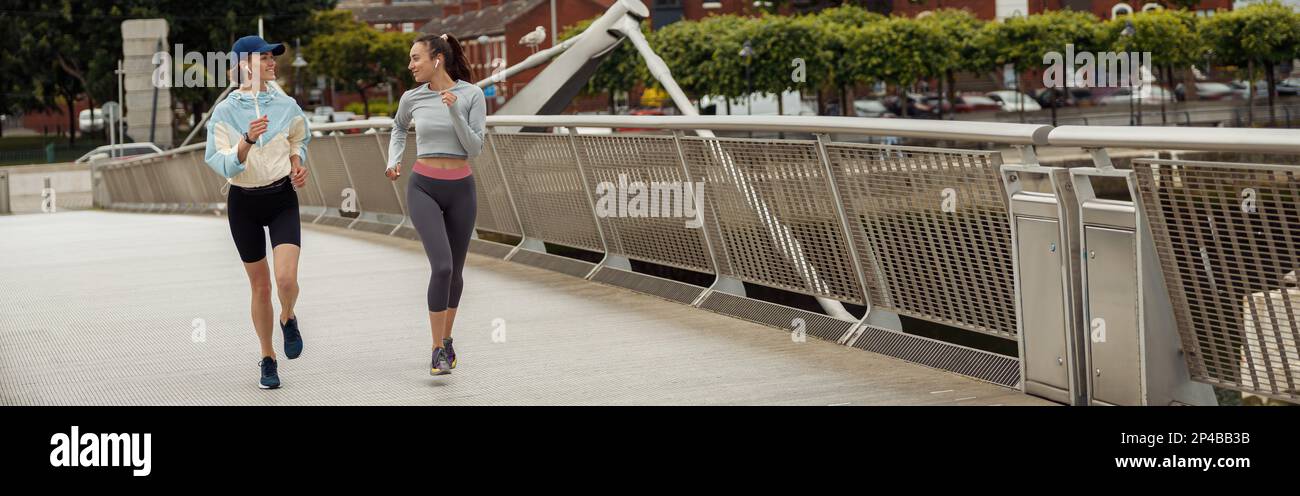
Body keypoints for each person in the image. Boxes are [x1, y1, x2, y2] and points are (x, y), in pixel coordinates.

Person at [203, 35, 312, 389]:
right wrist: (246, 141)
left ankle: (289, 315)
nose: (272, 63)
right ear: (244, 64)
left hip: (282, 198)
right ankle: (267, 357)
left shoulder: (286, 104)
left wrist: (297, 162)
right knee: (261, 286)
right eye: (265, 58)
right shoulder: (224, 112)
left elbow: (300, 137)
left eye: (272, 58)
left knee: (285, 280)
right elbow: (220, 163)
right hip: (244, 203)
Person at [385, 32, 486, 376]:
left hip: (462, 189)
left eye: (416, 58)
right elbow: (398, 129)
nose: (411, 65)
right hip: (423, 186)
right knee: (441, 266)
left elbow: (474, 148)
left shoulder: (472, 95)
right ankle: (435, 349)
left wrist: (455, 111)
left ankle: (447, 338)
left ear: (437, 59)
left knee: (456, 272)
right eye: (411, 59)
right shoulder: (411, 98)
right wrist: (394, 159)